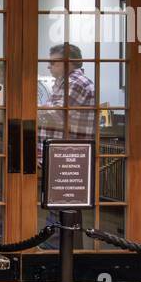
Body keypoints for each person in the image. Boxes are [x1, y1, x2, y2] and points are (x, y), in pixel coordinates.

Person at [37, 42, 96, 245]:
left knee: (62, 201)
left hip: (68, 153)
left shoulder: (75, 82)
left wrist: (30, 108)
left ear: (67, 62)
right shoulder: (65, 82)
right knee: (60, 202)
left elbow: (55, 115)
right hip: (63, 151)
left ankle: (57, 248)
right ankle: (61, 246)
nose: (49, 67)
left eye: (53, 62)